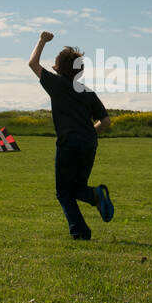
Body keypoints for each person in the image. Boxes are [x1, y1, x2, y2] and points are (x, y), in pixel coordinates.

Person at [28, 31, 114, 240]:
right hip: (89, 144)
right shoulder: (88, 93)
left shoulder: (56, 84)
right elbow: (106, 122)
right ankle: (94, 197)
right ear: (80, 71)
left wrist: (42, 41)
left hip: (68, 144)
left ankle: (81, 231)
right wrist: (89, 133)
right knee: (76, 188)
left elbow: (33, 63)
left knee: (64, 192)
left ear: (58, 67)